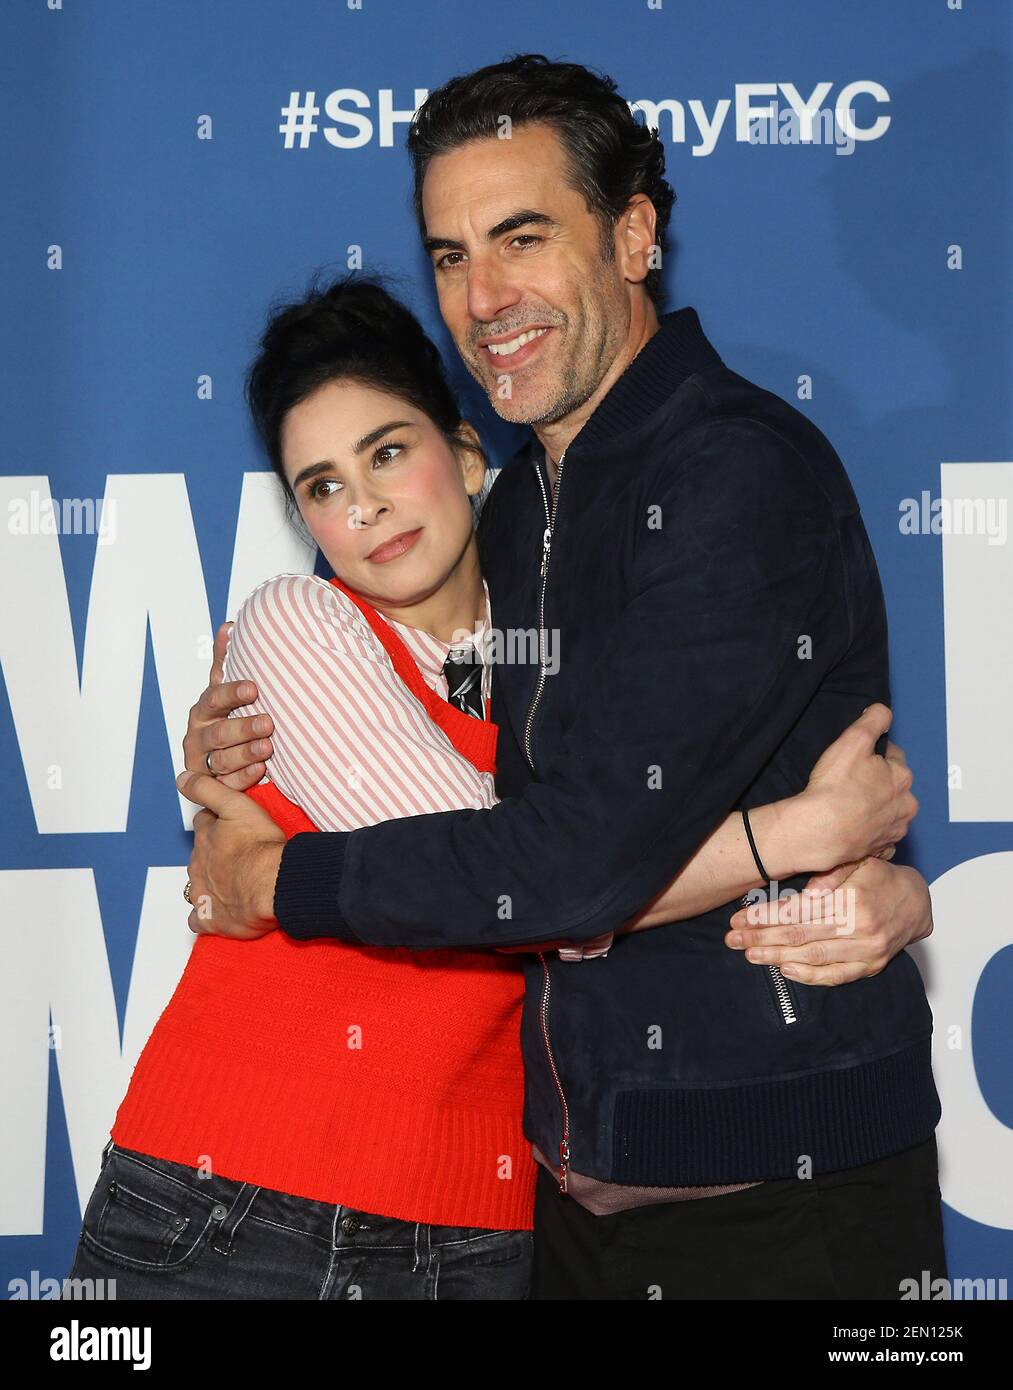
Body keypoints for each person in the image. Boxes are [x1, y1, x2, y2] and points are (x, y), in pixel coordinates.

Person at [178, 56, 945, 1301]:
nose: (483, 297)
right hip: (568, 1194)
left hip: (780, 1194)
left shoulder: (732, 478)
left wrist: (279, 876)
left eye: (521, 237)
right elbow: (471, 797)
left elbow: (571, 861)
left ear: (632, 234)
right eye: (448, 254)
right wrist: (219, 768)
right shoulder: (517, 502)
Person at [65, 276, 908, 1302]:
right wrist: (796, 829)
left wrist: (891, 893)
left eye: (385, 452)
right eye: (321, 486)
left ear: (467, 457)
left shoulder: (551, 652)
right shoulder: (297, 623)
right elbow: (517, 876)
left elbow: (592, 845)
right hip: (234, 1201)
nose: (364, 502)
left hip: (481, 1225)